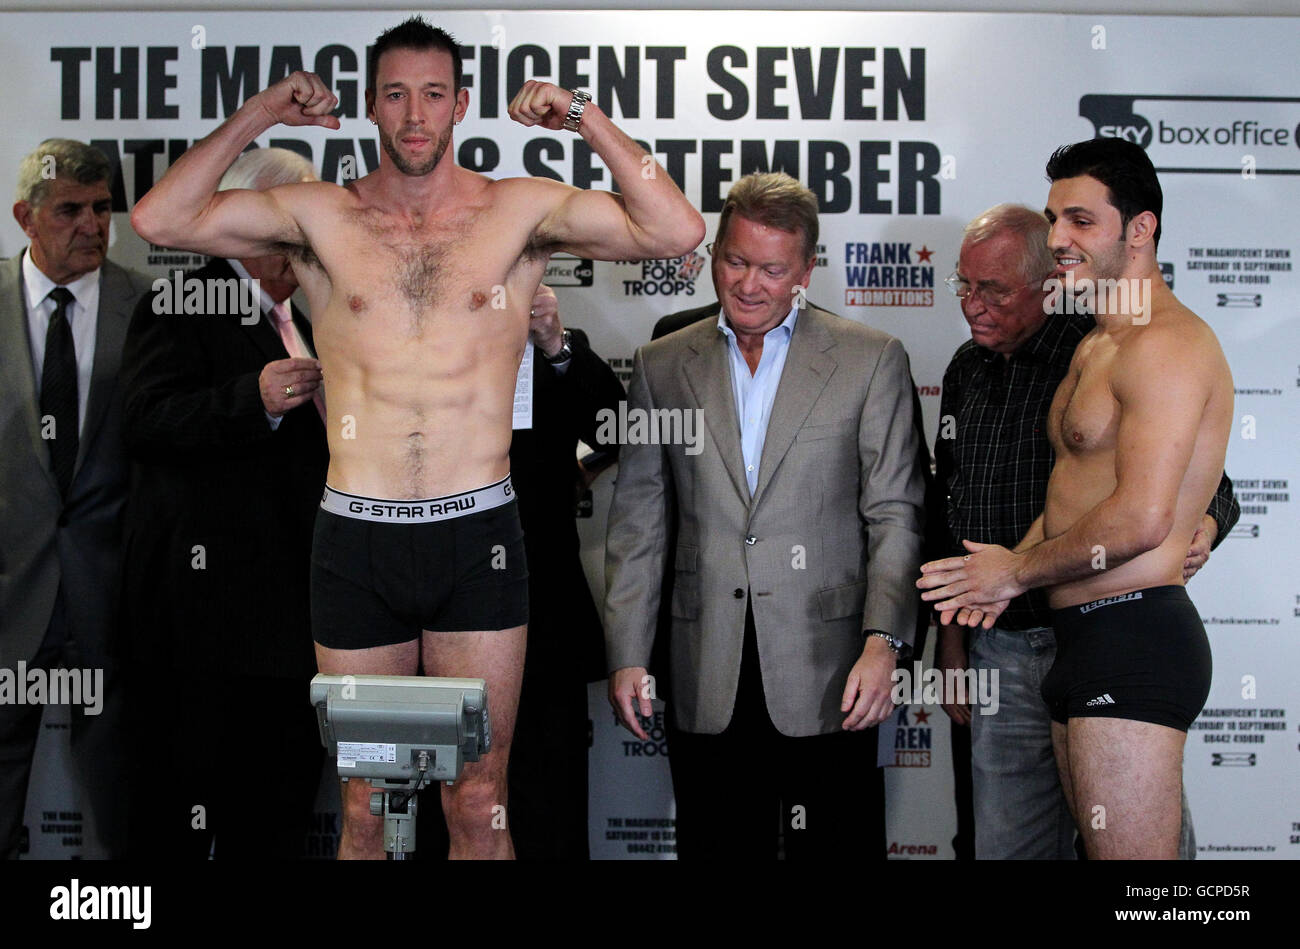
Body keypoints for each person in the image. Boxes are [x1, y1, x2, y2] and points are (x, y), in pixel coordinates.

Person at [130, 17, 703, 860]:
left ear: (461, 103)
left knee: (478, 799)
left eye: (433, 94)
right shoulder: (319, 216)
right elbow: (158, 217)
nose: (414, 114)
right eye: (395, 94)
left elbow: (676, 230)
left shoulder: (518, 210)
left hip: (479, 543)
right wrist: (261, 114)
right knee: (366, 803)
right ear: (370, 107)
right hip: (359, 543)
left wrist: (581, 116)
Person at [920, 139, 1235, 859]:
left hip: (1132, 633)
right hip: (1079, 640)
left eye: (1082, 221)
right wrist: (989, 586)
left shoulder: (1167, 344)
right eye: (1055, 218)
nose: (1060, 238)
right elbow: (1070, 501)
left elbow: (1144, 516)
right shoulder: (1100, 342)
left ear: (1140, 228)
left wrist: (1014, 572)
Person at [605, 171, 925, 860]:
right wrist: (629, 653)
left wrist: (882, 642)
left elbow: (895, 515)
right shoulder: (663, 364)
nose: (749, 283)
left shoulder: (870, 360)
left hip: (833, 665)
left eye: (773, 269)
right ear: (715, 252)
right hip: (704, 663)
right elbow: (639, 522)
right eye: (736, 261)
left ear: (806, 270)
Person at [119, 148, 327, 858]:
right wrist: (255, 399)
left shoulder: (307, 312)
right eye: (296, 213)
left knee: (273, 819)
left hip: (295, 624)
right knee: (178, 818)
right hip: (203, 630)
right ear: (248, 218)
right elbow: (145, 421)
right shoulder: (180, 300)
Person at [421, 284, 625, 860]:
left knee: (547, 800)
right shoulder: (409, 346)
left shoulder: (556, 350)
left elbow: (617, 431)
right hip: (436, 614)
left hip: (542, 618)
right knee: (449, 797)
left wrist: (556, 345)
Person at [0, 139, 151, 858]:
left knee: (122, 808)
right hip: (7, 598)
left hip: (111, 597)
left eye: (102, 208)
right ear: (26, 216)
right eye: (70, 211)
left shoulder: (148, 307)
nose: (93, 225)